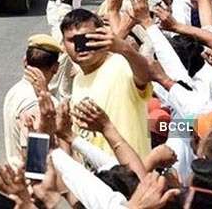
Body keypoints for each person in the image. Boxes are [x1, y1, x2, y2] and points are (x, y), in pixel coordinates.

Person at [61, 8, 153, 157]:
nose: (80, 46)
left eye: (87, 38)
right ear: (63, 44)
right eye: (72, 40)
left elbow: (145, 75)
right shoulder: (78, 80)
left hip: (129, 176)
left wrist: (123, 47)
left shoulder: (121, 64)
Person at [2, 34, 62, 168]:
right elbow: (35, 158)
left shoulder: (15, 90)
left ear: (25, 61)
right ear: (56, 67)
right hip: (34, 180)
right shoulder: (35, 102)